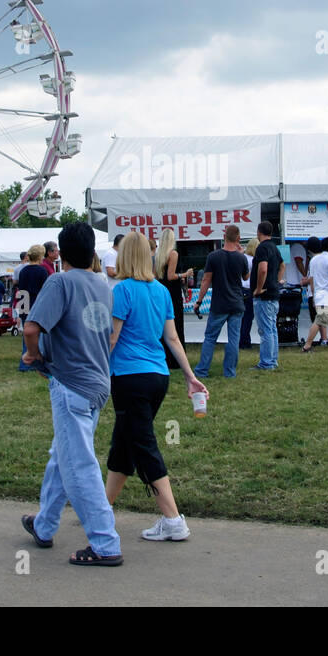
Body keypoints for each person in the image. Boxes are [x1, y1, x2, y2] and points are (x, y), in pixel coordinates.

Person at [20, 221, 123, 565]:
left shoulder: (60, 281)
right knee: (61, 455)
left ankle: (105, 543)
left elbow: (32, 327)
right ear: (93, 253)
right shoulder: (102, 285)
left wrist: (32, 354)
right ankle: (45, 525)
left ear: (60, 254)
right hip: (98, 382)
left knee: (78, 463)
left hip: (70, 384)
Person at [103, 232, 209, 541]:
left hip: (128, 377)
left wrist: (91, 369)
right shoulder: (161, 291)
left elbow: (113, 337)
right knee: (124, 443)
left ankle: (173, 519)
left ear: (124, 257)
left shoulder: (122, 291)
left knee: (143, 445)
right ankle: (103, 509)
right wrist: (189, 376)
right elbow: (172, 338)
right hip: (157, 377)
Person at [191, 224, 250, 379]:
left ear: (224, 236)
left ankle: (202, 370)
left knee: (210, 338)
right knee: (234, 339)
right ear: (238, 238)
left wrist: (199, 301)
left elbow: (206, 280)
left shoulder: (213, 256)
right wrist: (242, 253)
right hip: (237, 303)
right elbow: (246, 277)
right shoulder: (241, 258)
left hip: (219, 304)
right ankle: (229, 372)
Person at [153, 228, 189, 365]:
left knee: (162, 324)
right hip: (172, 293)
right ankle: (176, 358)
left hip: (161, 291)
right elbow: (171, 275)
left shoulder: (158, 255)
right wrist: (184, 274)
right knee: (176, 324)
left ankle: (164, 356)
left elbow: (155, 276)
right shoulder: (173, 254)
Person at [250, 221, 283, 372]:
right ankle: (272, 360)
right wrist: (276, 281)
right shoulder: (274, 247)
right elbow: (282, 265)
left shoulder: (262, 247)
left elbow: (262, 269)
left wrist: (258, 288)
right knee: (272, 329)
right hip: (273, 293)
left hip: (264, 296)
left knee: (265, 330)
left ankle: (266, 363)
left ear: (259, 232)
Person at [15, 245, 51, 371]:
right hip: (37, 304)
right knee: (39, 335)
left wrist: (21, 309)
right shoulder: (42, 271)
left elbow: (21, 290)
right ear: (41, 256)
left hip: (25, 303)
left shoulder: (23, 271)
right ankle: (37, 362)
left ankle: (24, 363)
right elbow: (45, 291)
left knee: (27, 335)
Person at [238, 237, 257, 350]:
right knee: (248, 318)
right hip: (249, 289)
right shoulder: (254, 261)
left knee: (241, 318)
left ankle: (242, 340)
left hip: (240, 289)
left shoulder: (243, 257)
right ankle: (245, 341)